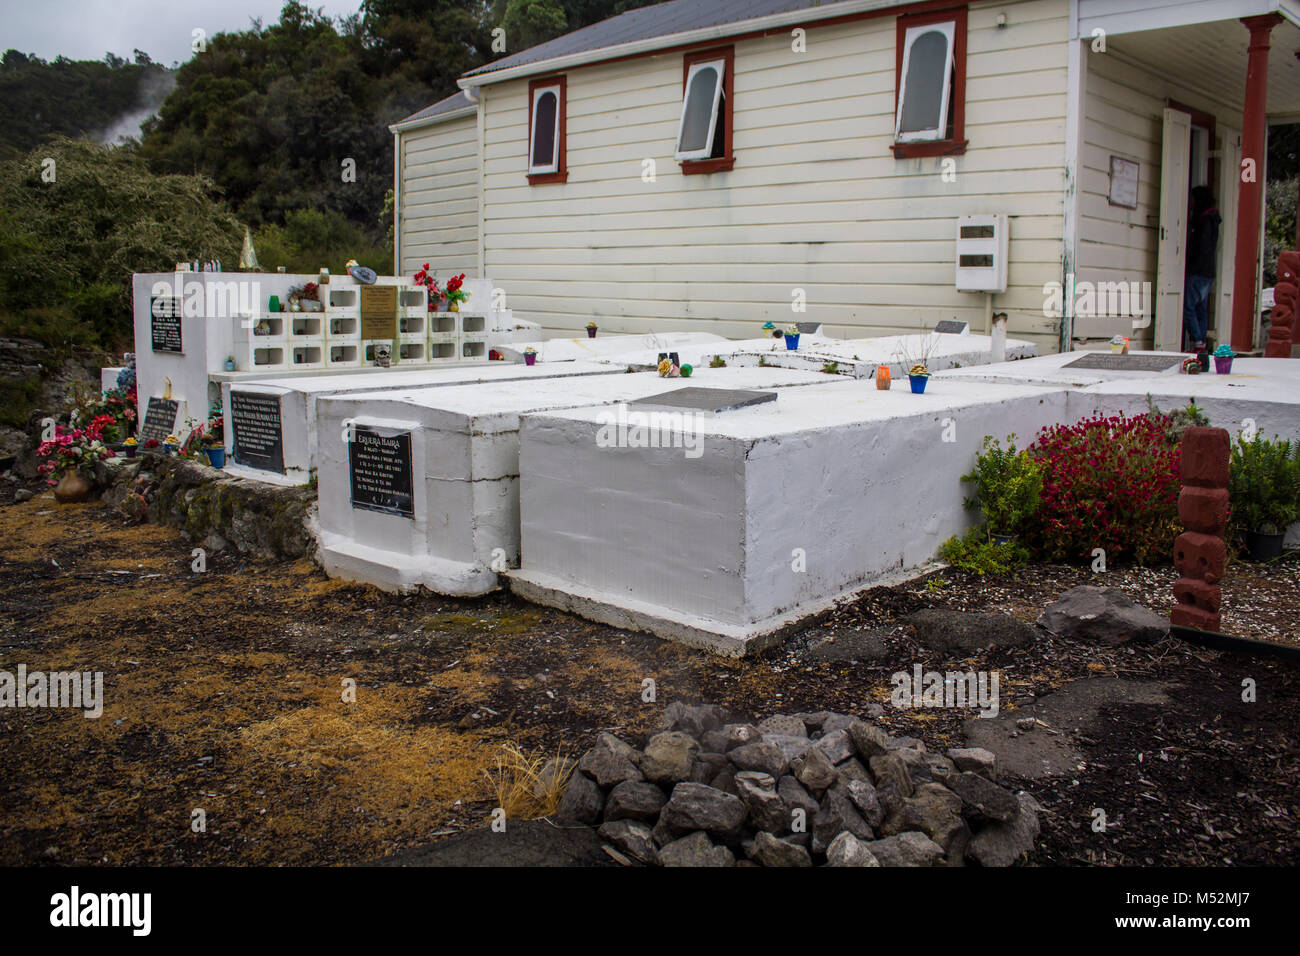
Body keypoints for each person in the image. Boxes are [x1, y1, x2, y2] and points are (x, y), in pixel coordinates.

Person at [1183, 185, 1221, 350]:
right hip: (1208, 271)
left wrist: (1190, 266)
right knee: (1200, 308)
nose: (1189, 202)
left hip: (1198, 271)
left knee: (1188, 306)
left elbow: (1200, 247)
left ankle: (1197, 340)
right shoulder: (1212, 219)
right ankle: (1202, 342)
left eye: (1192, 198)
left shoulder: (1203, 221)